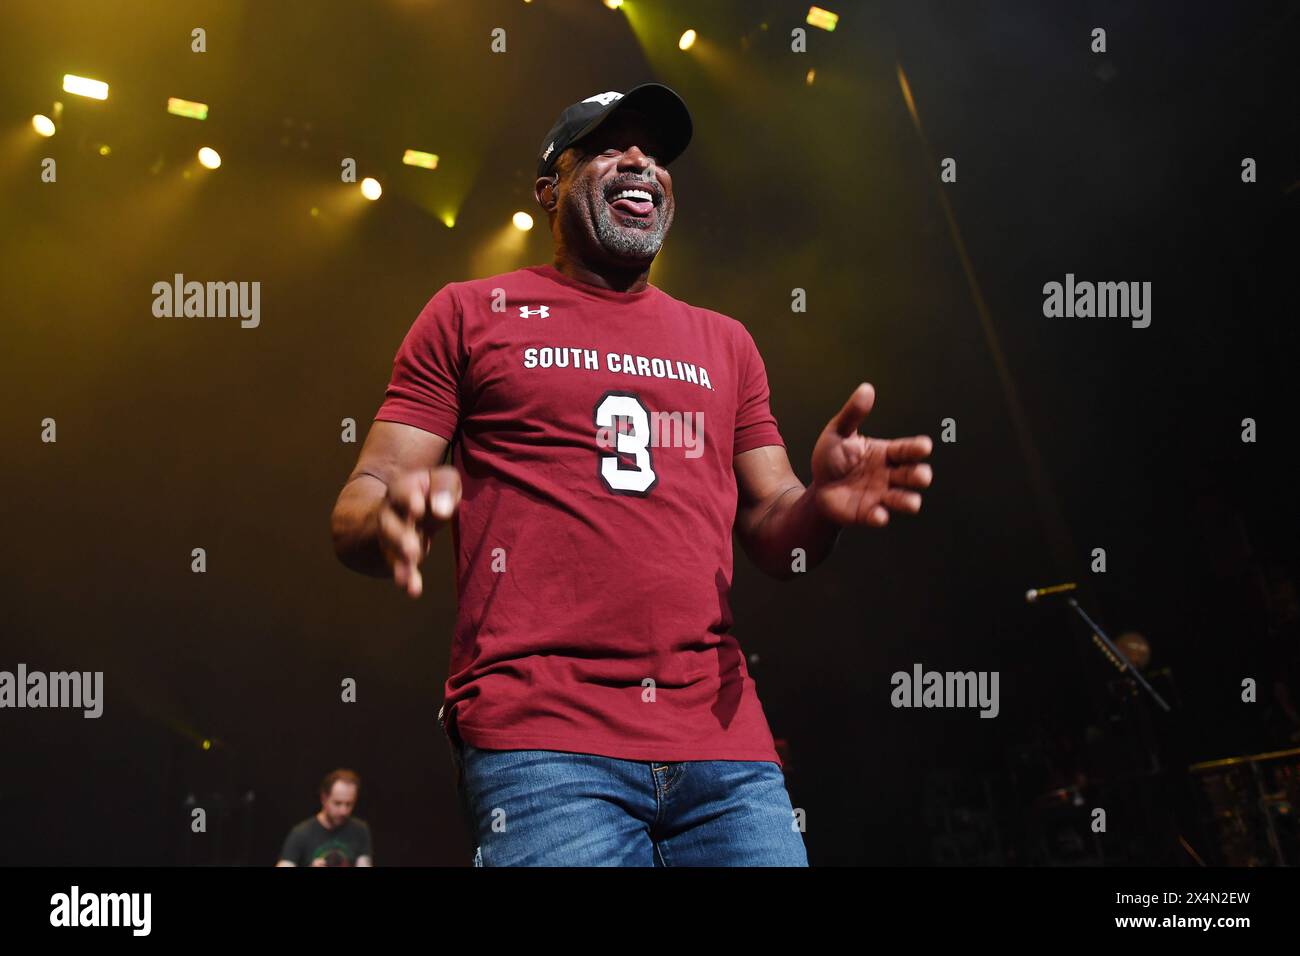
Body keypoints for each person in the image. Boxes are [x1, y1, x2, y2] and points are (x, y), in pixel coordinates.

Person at [331, 83, 934, 866]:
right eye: (610, 146)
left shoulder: (724, 343)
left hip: (725, 748)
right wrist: (387, 519)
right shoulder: (469, 314)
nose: (641, 160)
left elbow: (773, 532)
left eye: (654, 149)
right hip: (542, 743)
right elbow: (359, 503)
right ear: (551, 189)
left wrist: (820, 505)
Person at [276, 769, 373, 867]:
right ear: (324, 799)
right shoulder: (301, 833)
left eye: (349, 804)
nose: (344, 811)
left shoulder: (359, 830)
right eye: (337, 803)